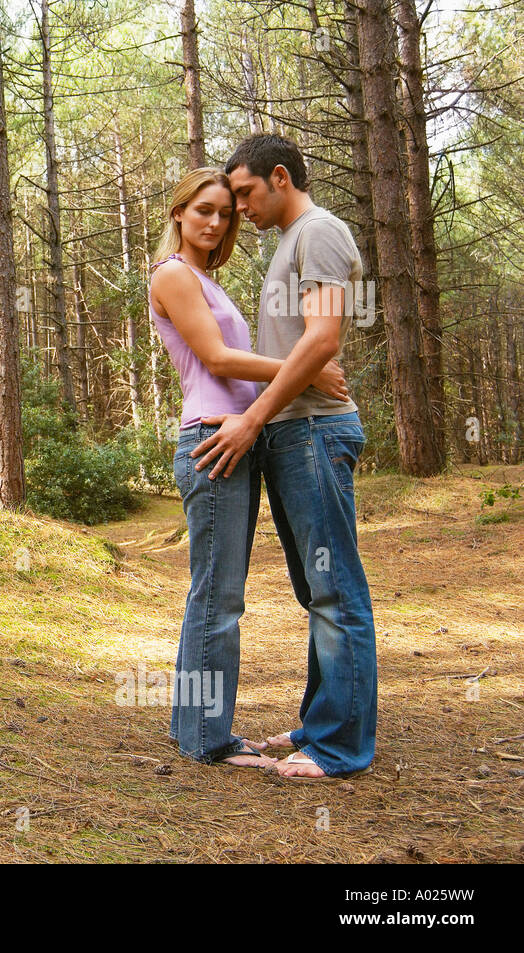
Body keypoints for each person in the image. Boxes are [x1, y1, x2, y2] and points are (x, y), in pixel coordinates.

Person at [149, 167, 349, 768]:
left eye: (226, 214)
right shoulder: (173, 275)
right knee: (219, 598)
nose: (215, 222)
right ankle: (208, 739)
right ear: (179, 213)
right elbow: (215, 358)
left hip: (232, 442)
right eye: (204, 210)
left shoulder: (204, 279)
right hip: (213, 444)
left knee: (216, 594)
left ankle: (193, 729)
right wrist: (304, 368)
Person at [190, 133, 377, 780]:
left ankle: (340, 747)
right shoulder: (292, 243)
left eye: (244, 194)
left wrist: (254, 418)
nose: (238, 209)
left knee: (335, 593)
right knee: (316, 591)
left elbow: (323, 338)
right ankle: (320, 723)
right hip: (294, 434)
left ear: (279, 177)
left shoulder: (318, 231)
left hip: (315, 433)